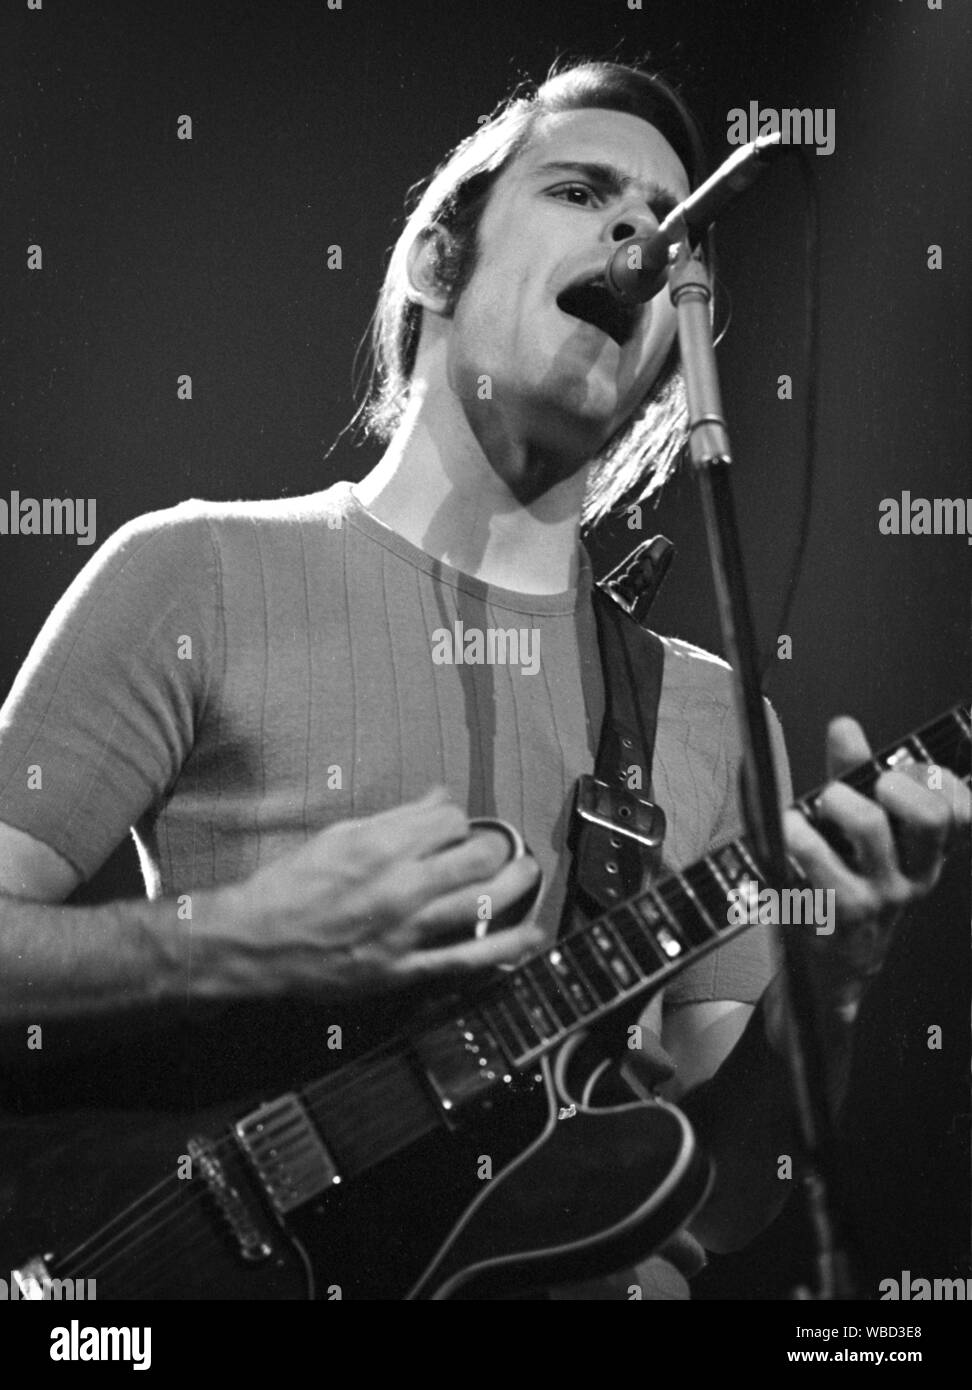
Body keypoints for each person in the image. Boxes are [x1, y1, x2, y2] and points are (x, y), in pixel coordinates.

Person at [0, 59, 965, 1300]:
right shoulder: (197, 572)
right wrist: (238, 940)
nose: (642, 232)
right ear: (436, 266)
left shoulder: (716, 719)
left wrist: (837, 970)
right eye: (582, 190)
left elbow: (725, 1203)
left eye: (671, 224)